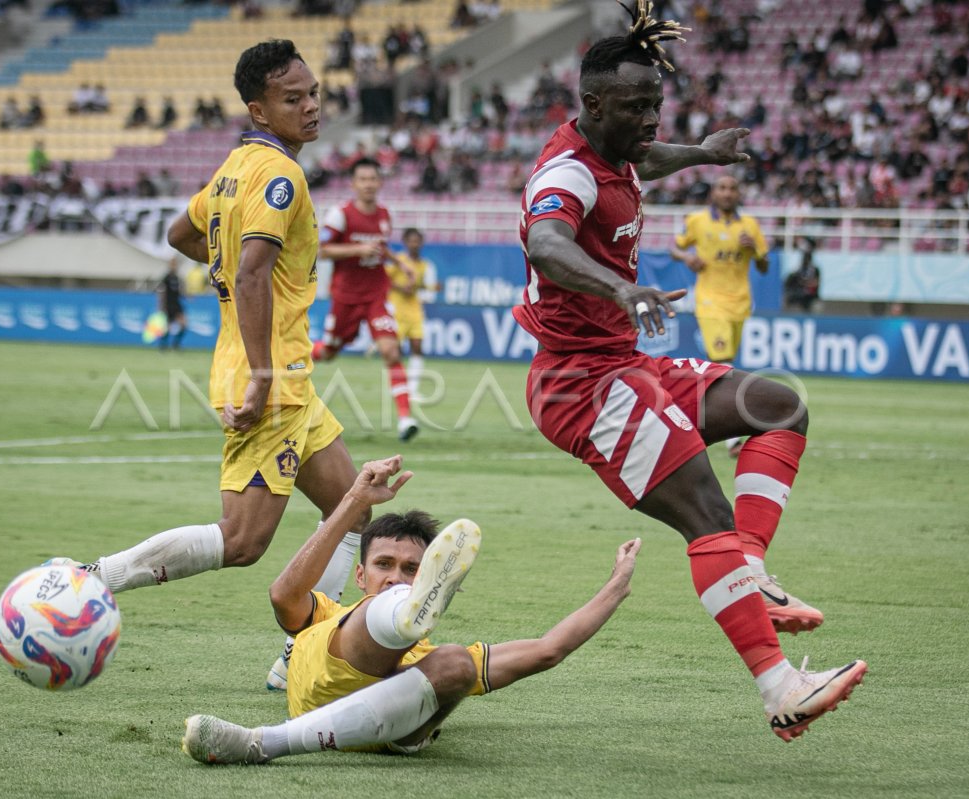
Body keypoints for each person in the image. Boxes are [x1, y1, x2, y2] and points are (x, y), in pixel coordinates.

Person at [514, 2, 864, 742]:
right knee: (707, 511)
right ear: (592, 103)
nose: (650, 119)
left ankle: (756, 573)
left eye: (657, 105)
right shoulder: (567, 174)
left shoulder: (617, 150)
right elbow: (546, 243)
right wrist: (618, 287)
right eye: (637, 107)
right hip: (580, 388)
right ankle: (781, 686)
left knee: (777, 405)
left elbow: (648, 157)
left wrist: (701, 151)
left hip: (625, 365)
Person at [53, 39, 366, 696]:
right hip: (268, 379)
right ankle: (93, 576)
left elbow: (182, 234)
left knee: (352, 511)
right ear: (259, 108)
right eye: (293, 98)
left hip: (289, 379)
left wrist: (223, 271)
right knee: (243, 539)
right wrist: (258, 370)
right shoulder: (281, 177)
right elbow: (251, 272)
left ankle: (301, 650)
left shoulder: (232, 169)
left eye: (313, 94)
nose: (311, 107)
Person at [181, 455, 641, 763]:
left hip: (392, 730)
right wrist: (356, 500)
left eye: (410, 571)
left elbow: (547, 650)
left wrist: (615, 588)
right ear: (360, 576)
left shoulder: (427, 657)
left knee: (456, 664)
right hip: (331, 681)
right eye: (383, 565)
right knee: (375, 621)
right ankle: (396, 619)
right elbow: (283, 595)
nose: (394, 575)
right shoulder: (325, 612)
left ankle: (276, 739)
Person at [311, 157, 419, 442]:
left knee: (391, 351)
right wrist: (357, 249)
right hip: (345, 297)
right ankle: (287, 358)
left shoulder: (384, 214)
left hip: (375, 296)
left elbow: (380, 248)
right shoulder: (340, 214)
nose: (369, 184)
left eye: (373, 179)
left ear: (380, 182)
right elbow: (321, 250)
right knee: (328, 352)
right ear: (353, 183)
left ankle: (406, 419)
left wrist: (400, 262)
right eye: (363, 179)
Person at [668, 174, 769, 458]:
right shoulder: (698, 221)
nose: (727, 193)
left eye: (732, 188)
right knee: (724, 364)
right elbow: (674, 247)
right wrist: (687, 257)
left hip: (740, 303)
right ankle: (732, 439)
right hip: (709, 301)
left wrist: (756, 253)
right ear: (714, 192)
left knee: (724, 365)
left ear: (738, 193)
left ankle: (696, 417)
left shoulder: (750, 226)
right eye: (722, 188)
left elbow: (764, 265)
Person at [385, 227, 439, 399]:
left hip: (415, 310)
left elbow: (424, 287)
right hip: (397, 309)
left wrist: (430, 288)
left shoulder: (425, 265)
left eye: (417, 241)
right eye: (411, 240)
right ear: (405, 242)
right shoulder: (398, 261)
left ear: (421, 243)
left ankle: (413, 390)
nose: (414, 244)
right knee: (396, 351)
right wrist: (401, 287)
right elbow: (384, 280)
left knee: (417, 347)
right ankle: (398, 388)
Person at [156, 256, 187, 350]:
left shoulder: (177, 278)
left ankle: (176, 344)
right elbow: (162, 292)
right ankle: (163, 344)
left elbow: (180, 292)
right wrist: (161, 305)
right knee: (167, 327)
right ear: (169, 265)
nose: (174, 266)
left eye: (175, 264)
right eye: (172, 264)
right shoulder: (166, 278)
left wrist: (187, 296)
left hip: (177, 304)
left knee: (184, 324)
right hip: (168, 305)